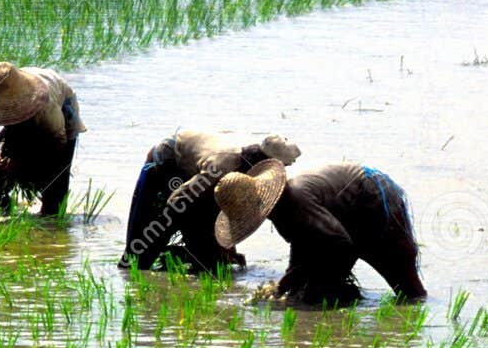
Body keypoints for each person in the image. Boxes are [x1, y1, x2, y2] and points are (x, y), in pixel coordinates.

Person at [213, 160, 427, 304]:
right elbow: (303, 242)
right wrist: (283, 285)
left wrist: (321, 283)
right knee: (309, 292)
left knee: (410, 292)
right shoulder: (283, 207)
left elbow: (340, 244)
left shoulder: (296, 200)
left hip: (372, 199)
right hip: (351, 214)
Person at [119, 129, 302, 272]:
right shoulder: (222, 166)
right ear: (264, 161)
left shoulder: (248, 168)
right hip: (169, 160)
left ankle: (190, 254)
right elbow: (178, 200)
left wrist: (227, 245)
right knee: (145, 245)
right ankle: (143, 261)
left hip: (199, 167)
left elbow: (228, 205)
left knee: (211, 253)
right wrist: (194, 234)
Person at [0, 63, 85, 214]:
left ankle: (52, 224)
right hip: (26, 103)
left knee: (55, 185)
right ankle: (3, 211)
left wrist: (25, 165)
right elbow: (10, 132)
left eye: (7, 107)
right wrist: (3, 156)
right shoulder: (2, 86)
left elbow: (58, 145)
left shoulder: (47, 114)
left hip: (61, 106)